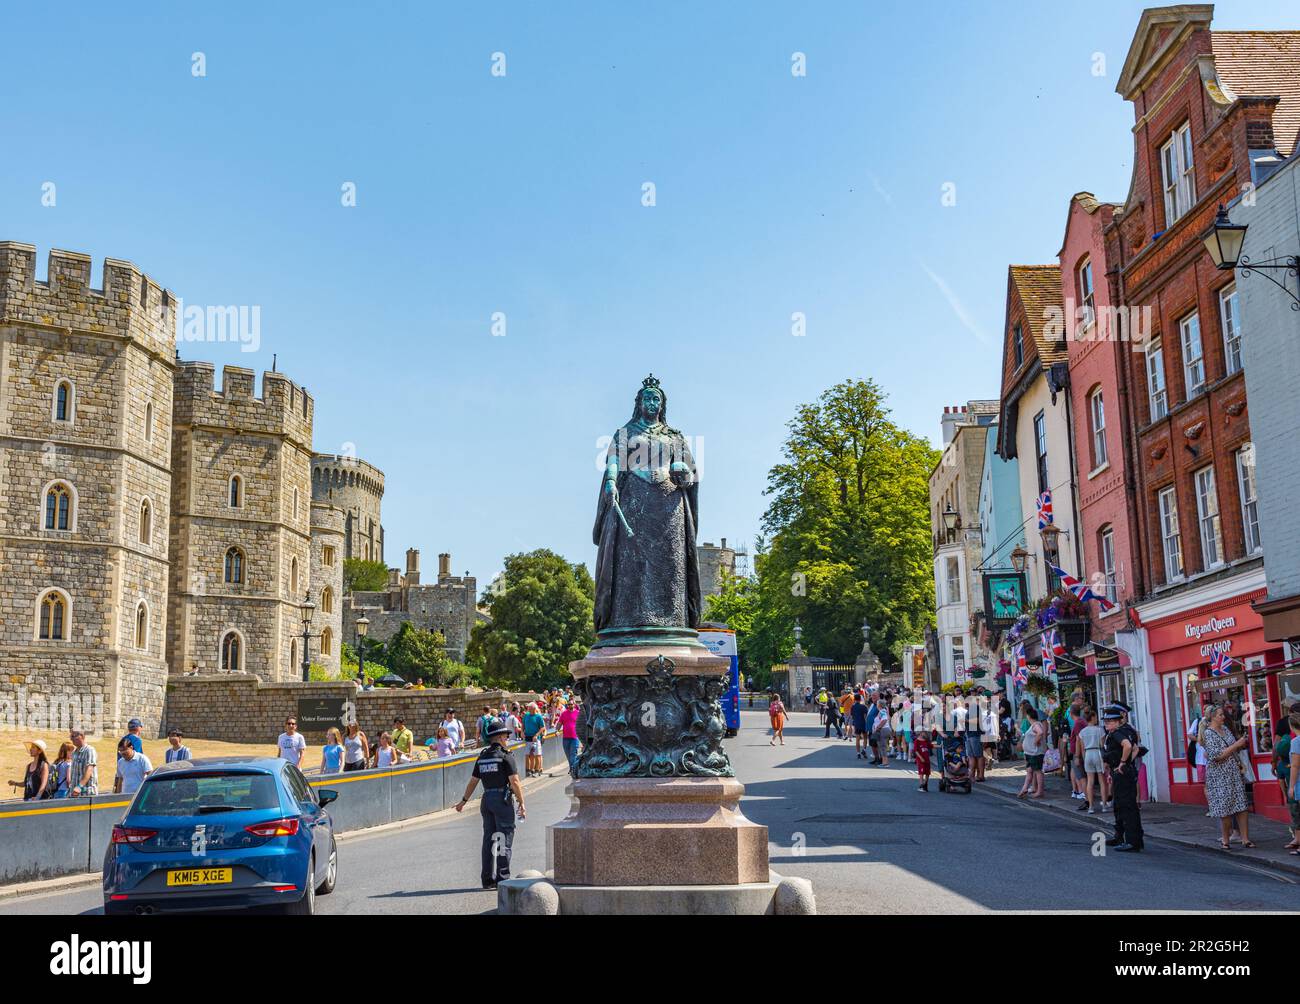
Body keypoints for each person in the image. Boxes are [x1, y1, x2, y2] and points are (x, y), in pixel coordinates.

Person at [454, 721, 527, 890]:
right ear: (500, 737)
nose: (508, 739)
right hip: (502, 800)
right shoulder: (505, 756)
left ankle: (487, 879)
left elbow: (473, 781)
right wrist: (522, 802)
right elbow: (514, 781)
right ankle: (503, 878)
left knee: (489, 840)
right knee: (503, 839)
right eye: (506, 737)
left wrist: (463, 801)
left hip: (486, 800)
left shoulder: (483, 756)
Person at [1199, 703, 1252, 850]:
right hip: (1219, 775)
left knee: (1241, 805)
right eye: (1221, 715)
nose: (1224, 717)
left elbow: (1232, 748)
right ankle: (1226, 839)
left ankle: (1245, 839)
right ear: (1212, 717)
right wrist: (1236, 745)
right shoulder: (1209, 734)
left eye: (1223, 714)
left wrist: (1239, 749)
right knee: (1225, 808)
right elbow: (1217, 756)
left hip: (1233, 772)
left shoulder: (1226, 730)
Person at [1103, 706, 1143, 852]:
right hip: (1122, 772)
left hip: (1123, 774)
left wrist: (1122, 763)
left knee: (1126, 806)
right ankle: (1120, 837)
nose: (1106, 724)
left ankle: (1132, 842)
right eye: (1105, 721)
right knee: (1119, 805)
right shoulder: (1127, 731)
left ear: (1116, 722)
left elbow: (1127, 746)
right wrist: (1126, 763)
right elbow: (1136, 749)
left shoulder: (1118, 733)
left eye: (1108, 721)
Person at [1270, 715, 1297, 852]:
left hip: (1294, 785)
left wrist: (1288, 789)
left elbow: (1294, 768)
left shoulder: (1292, 742)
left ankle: (1296, 837)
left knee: (1295, 810)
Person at [1077, 709, 1105, 814]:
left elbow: (1082, 748)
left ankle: (1091, 807)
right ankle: (1104, 805)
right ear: (1092, 717)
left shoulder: (1082, 732)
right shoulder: (1100, 730)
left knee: (1090, 781)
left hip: (1088, 754)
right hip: (1097, 753)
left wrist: (1084, 760)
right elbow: (1102, 746)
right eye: (1096, 716)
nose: (1097, 718)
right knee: (1102, 780)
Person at [1017, 702, 1047, 799]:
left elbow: (1040, 732)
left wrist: (1036, 741)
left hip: (1036, 753)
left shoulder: (1036, 725)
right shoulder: (1033, 725)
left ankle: (1040, 791)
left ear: (1029, 716)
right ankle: (1024, 789)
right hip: (1031, 753)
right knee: (1029, 771)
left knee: (1038, 771)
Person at [69, 728, 98, 797]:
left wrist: (79, 786)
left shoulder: (89, 750)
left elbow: (89, 769)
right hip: (75, 794)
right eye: (70, 737)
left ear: (81, 736)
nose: (71, 739)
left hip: (87, 794)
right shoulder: (74, 753)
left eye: (73, 736)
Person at [522, 703, 546, 778]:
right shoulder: (526, 715)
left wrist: (537, 735)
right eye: (528, 708)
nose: (528, 710)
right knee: (527, 754)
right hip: (527, 737)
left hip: (535, 738)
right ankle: (528, 770)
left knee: (537, 755)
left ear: (534, 709)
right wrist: (522, 732)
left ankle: (537, 770)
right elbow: (523, 725)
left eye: (530, 708)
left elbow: (542, 727)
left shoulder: (538, 716)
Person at [557, 701, 582, 774]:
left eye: (571, 704)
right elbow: (559, 723)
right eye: (568, 704)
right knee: (568, 754)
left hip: (574, 737)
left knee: (573, 754)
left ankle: (572, 769)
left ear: (574, 705)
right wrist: (556, 730)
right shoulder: (564, 713)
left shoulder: (578, 713)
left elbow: (582, 724)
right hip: (565, 738)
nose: (570, 705)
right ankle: (573, 767)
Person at [850, 694, 871, 759]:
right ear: (860, 699)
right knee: (865, 738)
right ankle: (864, 750)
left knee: (857, 739)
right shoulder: (863, 706)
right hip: (863, 723)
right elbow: (865, 716)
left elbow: (852, 716)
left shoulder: (852, 706)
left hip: (856, 724)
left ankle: (858, 753)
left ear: (854, 699)